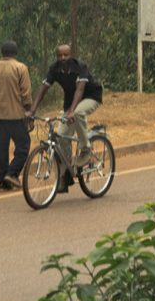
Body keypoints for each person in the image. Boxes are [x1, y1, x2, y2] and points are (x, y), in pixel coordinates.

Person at [31, 43, 102, 192]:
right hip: (71, 103)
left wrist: (71, 111)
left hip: (90, 97)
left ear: (71, 55)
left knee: (77, 114)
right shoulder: (54, 68)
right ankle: (67, 174)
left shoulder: (80, 66)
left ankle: (85, 149)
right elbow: (44, 88)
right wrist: (32, 110)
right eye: (60, 55)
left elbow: (80, 89)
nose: (63, 58)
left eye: (66, 55)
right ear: (57, 56)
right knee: (61, 137)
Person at [0, 40, 33, 191]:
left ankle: (3, 181)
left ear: (2, 53)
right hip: (16, 116)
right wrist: (28, 115)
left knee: (1, 150)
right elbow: (26, 95)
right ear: (15, 53)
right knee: (23, 146)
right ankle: (12, 173)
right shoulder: (20, 68)